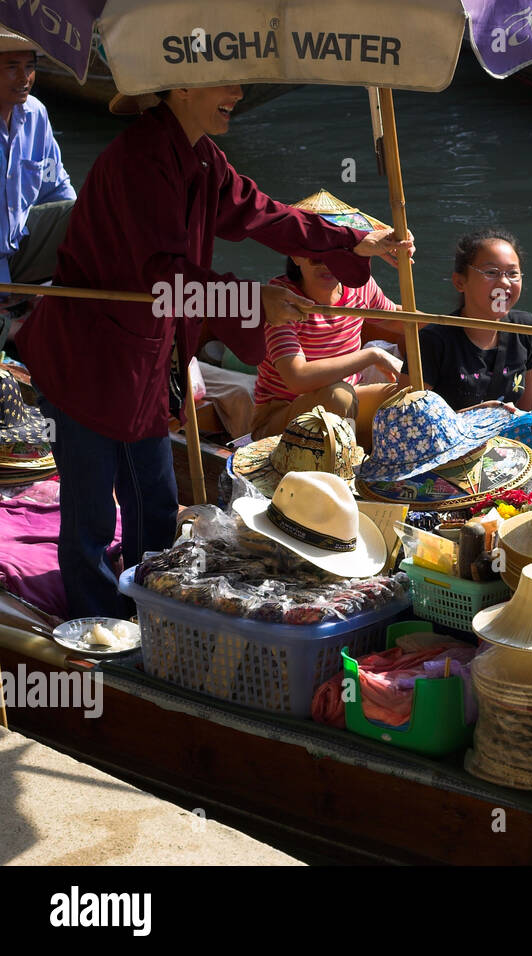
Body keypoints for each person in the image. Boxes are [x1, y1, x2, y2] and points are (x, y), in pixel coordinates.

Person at [14, 85, 413, 619]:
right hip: (88, 360)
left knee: (154, 503)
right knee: (89, 515)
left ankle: (153, 614)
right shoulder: (140, 160)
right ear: (181, 85)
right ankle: (96, 629)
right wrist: (254, 300)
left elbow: (260, 212)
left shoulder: (199, 154)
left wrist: (346, 242)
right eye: (224, 81)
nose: (238, 92)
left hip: (144, 362)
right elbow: (163, 282)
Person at [252, 195, 410, 448]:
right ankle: (343, 468)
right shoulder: (282, 300)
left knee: (409, 395)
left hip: (344, 402)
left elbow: (397, 319)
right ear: (296, 256)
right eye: (317, 257)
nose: (328, 266)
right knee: (339, 396)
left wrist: (459, 323)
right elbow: (298, 379)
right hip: (279, 419)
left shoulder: (361, 288)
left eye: (338, 256)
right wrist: (373, 356)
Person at [409, 228, 532, 412]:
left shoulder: (525, 328)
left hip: (509, 440)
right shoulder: (432, 341)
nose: (504, 283)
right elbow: (407, 421)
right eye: (491, 272)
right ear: (460, 282)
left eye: (512, 273)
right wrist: (483, 413)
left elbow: (530, 406)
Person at [0, 31, 75, 291]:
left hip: (19, 242)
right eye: (12, 68)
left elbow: (55, 186)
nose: (24, 78)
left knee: (86, 215)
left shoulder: (36, 113)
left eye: (29, 67)